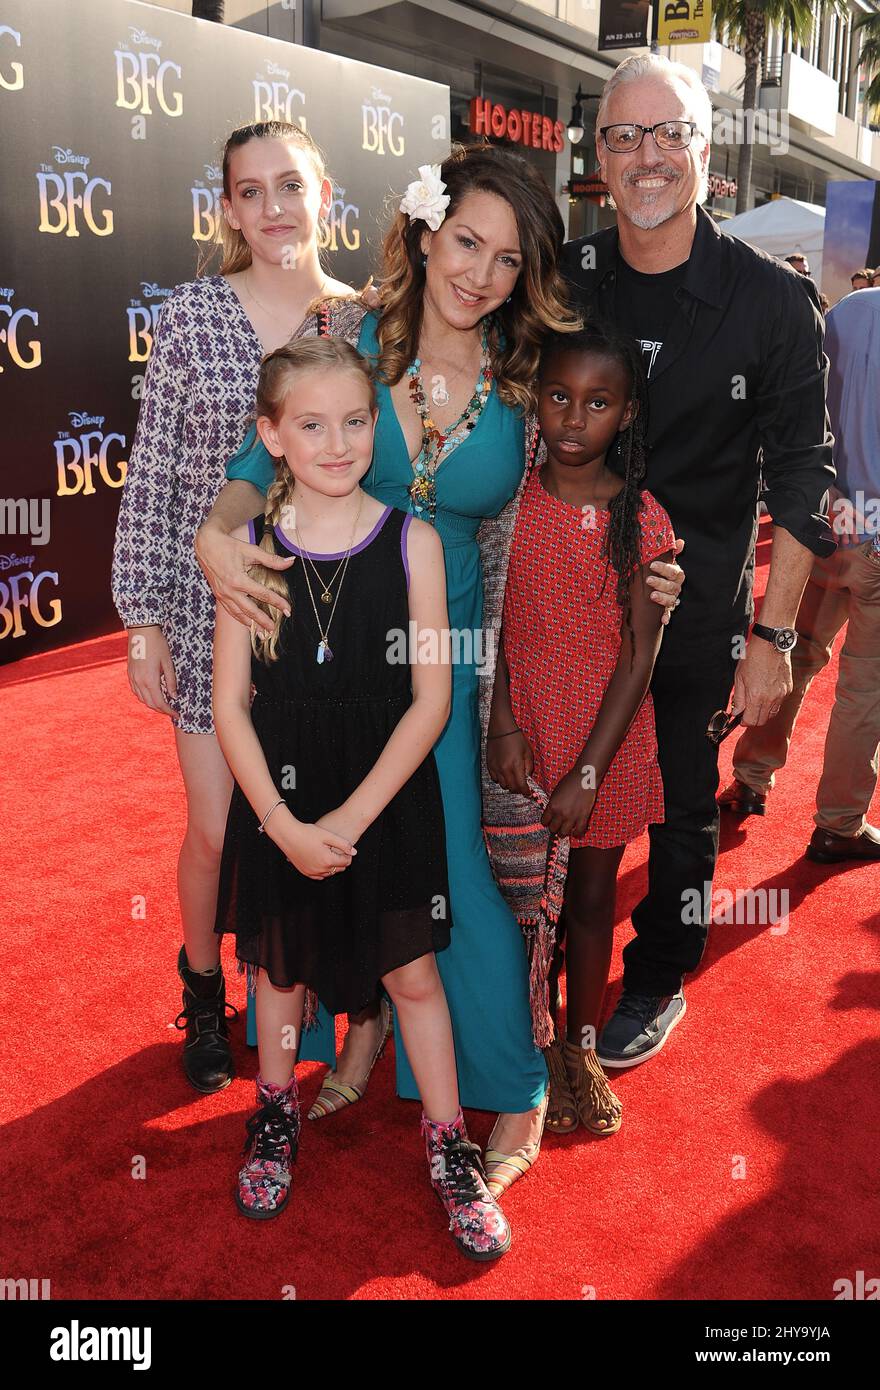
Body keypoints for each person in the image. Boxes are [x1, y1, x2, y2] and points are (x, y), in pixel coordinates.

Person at [195, 143, 687, 1194]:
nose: (482, 274)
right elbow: (250, 472)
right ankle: (355, 1030)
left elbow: (580, 500)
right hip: (325, 649)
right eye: (467, 241)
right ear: (424, 233)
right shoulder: (345, 338)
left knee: (451, 869)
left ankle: (513, 1085)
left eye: (510, 260)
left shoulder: (522, 376)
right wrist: (213, 541)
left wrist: (646, 575)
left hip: (448, 657)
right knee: (320, 841)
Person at [559, 54, 835, 1069]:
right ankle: (551, 957)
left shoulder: (771, 302)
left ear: (706, 152)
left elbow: (804, 481)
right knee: (562, 789)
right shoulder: (569, 280)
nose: (646, 155)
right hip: (566, 600)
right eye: (624, 137)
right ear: (598, 157)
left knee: (680, 804)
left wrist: (772, 637)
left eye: (667, 132)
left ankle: (661, 972)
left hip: (701, 612)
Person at [212, 335, 510, 1257]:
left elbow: (430, 703)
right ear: (272, 435)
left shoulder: (413, 542)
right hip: (281, 803)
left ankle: (449, 1145)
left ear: (376, 425)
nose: (336, 442)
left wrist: (345, 821)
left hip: (383, 803)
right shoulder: (248, 553)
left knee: (413, 975)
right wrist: (282, 824)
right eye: (310, 424)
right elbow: (229, 706)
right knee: (279, 970)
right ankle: (274, 1115)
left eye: (353, 420)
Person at [110, 120, 358, 1095]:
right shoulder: (190, 315)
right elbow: (160, 473)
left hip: (322, 616)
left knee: (297, 816)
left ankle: (288, 990)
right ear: (227, 209)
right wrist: (142, 619)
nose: (272, 209)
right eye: (248, 192)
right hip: (205, 603)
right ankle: (203, 984)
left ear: (323, 192)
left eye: (288, 185)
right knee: (217, 826)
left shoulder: (359, 321)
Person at [482, 323, 675, 1141]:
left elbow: (638, 662)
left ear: (626, 416)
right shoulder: (507, 504)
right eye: (559, 398)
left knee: (592, 902)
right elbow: (485, 627)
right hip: (523, 733)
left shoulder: (643, 521)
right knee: (524, 906)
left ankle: (579, 1045)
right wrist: (501, 726)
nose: (573, 419)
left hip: (606, 743)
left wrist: (589, 773)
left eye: (597, 404)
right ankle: (520, 1049)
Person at [719, 288, 880, 863]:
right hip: (872, 541)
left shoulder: (850, 310)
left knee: (798, 652)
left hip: (818, 527)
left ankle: (750, 778)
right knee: (865, 691)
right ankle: (838, 823)